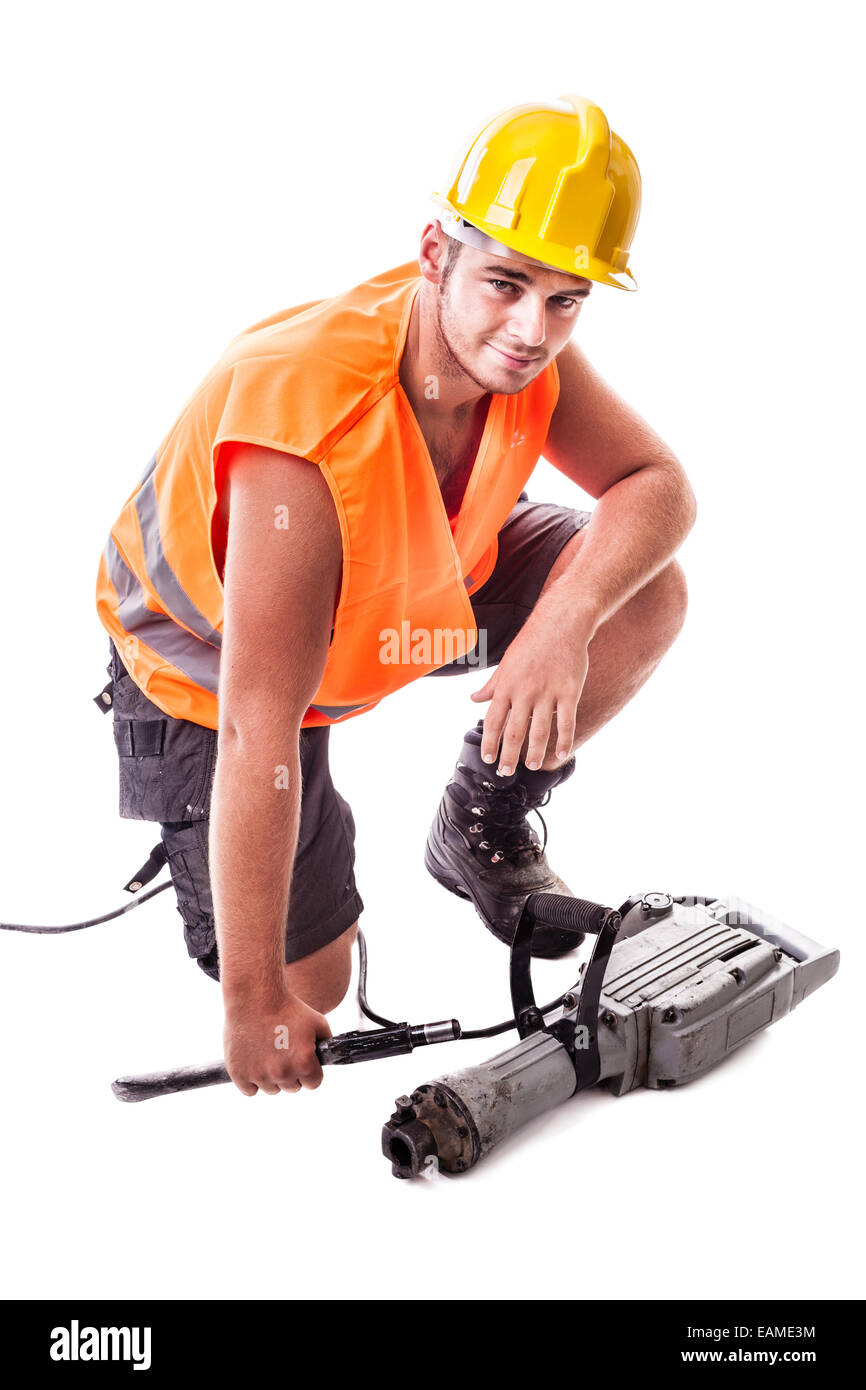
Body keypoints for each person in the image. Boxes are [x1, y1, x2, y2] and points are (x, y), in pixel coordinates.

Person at [94, 94, 696, 1099]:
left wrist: (560, 623)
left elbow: (658, 486)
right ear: (435, 252)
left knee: (642, 588)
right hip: (213, 677)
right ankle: (200, 846)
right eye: (505, 283)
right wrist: (249, 1005)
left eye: (565, 298)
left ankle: (478, 820)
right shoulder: (305, 427)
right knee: (311, 980)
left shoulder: (512, 345)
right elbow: (257, 729)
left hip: (398, 590)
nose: (530, 330)